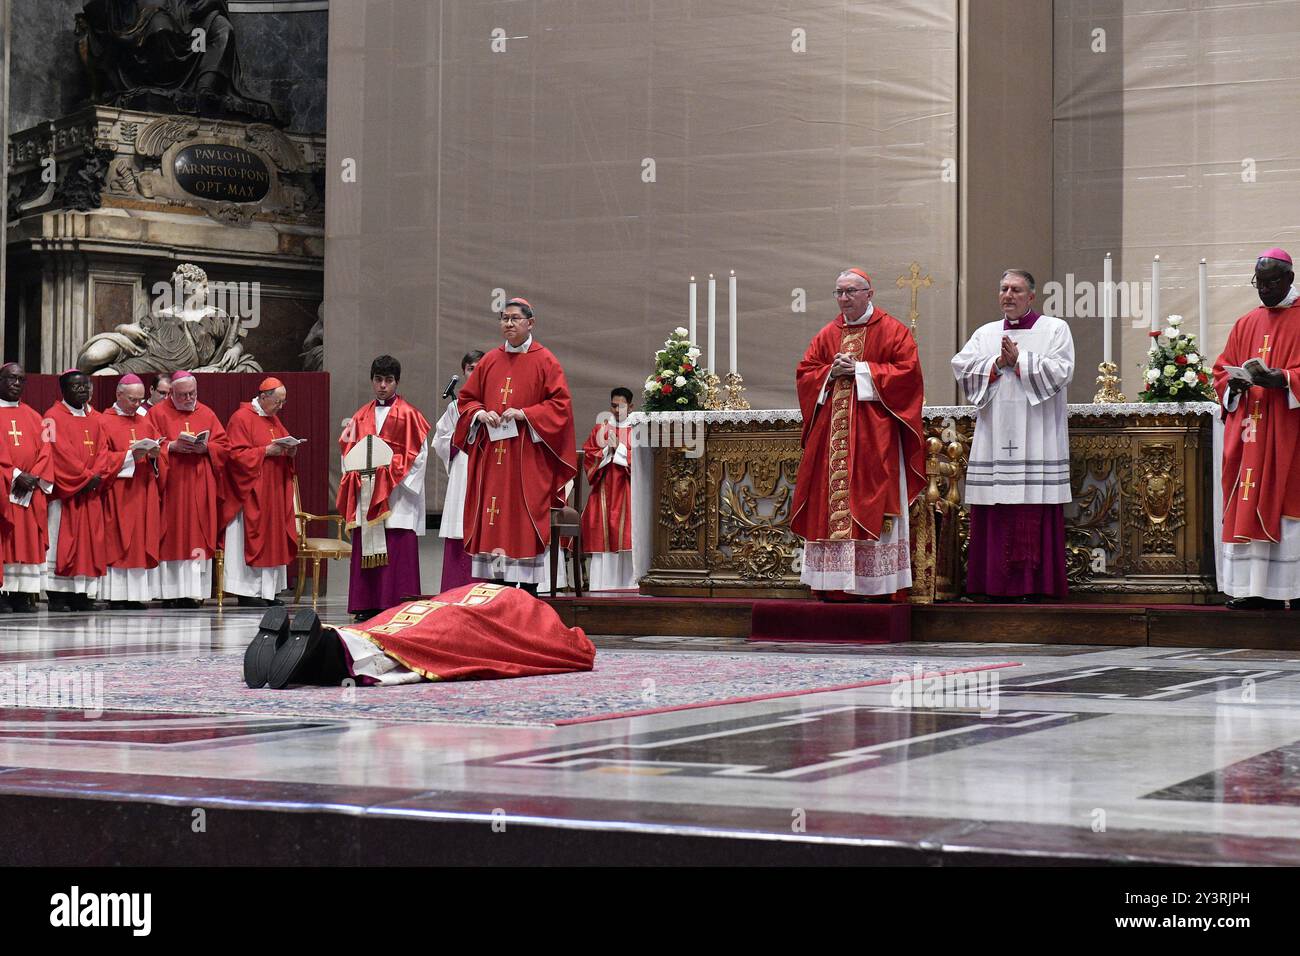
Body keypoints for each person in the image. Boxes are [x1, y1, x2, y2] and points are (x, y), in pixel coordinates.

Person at [790, 269, 926, 600]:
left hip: (874, 438)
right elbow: (805, 372)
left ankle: (876, 587)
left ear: (869, 293)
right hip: (832, 441)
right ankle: (835, 586)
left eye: (851, 292)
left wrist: (863, 370)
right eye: (839, 292)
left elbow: (909, 374)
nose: (844, 298)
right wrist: (828, 373)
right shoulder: (827, 334)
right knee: (831, 502)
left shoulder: (893, 331)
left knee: (872, 502)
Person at [952, 270, 1074, 601]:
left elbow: (1062, 371)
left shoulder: (1054, 329)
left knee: (1032, 503)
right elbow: (961, 366)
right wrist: (995, 364)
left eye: (1016, 290)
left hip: (1038, 433)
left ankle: (1035, 587)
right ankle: (991, 585)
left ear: (1031, 296)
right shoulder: (985, 333)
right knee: (994, 505)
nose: (1008, 295)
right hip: (994, 432)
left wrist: (1021, 361)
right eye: (1003, 288)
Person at [243, 583, 595, 690]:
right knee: (423, 644)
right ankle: (321, 654)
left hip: (447, 605)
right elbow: (577, 653)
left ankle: (317, 643)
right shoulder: (538, 618)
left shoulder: (502, 593)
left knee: (395, 625)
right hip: (471, 619)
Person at [454, 297, 577, 596]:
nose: (508, 324)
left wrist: (525, 414)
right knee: (494, 514)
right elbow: (467, 399)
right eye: (504, 318)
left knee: (522, 518)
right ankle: (497, 589)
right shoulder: (489, 361)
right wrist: (479, 413)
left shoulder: (545, 360)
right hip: (493, 461)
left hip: (527, 462)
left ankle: (528, 594)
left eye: (514, 318)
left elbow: (560, 407)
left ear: (530, 323)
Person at [1213, 248, 1300, 610]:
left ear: (1290, 280)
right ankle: (1252, 589)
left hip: (1288, 432)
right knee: (1247, 499)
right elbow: (1222, 370)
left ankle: (1292, 590)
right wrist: (1235, 384)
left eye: (1271, 282)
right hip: (1251, 432)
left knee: (1288, 501)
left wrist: (1283, 378)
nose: (1263, 289)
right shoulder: (1246, 323)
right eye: (1259, 283)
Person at [338, 355, 431, 620]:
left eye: (388, 380)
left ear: (396, 382)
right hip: (367, 496)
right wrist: (358, 475)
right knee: (368, 547)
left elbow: (420, 455)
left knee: (397, 549)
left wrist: (390, 477)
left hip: (398, 499)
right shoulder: (360, 416)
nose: (382, 386)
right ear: (372, 381)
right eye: (378, 380)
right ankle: (366, 605)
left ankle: (399, 605)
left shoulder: (410, 415)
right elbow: (347, 452)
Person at [148, 370, 229, 608]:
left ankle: (194, 591)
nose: (189, 398)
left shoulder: (207, 413)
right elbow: (150, 444)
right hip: (171, 485)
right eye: (183, 395)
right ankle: (170, 593)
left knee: (196, 535)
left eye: (192, 393)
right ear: (171, 393)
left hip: (199, 484)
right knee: (171, 536)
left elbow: (224, 446)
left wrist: (207, 449)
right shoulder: (157, 413)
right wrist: (171, 446)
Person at [44, 371, 123, 611]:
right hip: (67, 494)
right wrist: (84, 477)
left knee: (90, 543)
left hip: (90, 492)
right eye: (76, 386)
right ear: (63, 390)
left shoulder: (97, 418)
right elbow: (58, 452)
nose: (83, 391)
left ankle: (82, 595)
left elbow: (103, 450)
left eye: (86, 386)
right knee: (61, 543)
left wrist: (96, 475)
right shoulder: (51, 417)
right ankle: (57, 596)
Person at [221, 378, 298, 608]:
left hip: (272, 491)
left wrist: (289, 451)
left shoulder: (272, 419)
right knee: (252, 539)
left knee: (272, 540)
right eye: (278, 402)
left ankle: (269, 591)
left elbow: (281, 446)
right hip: (251, 491)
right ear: (264, 397)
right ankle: (247, 592)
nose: (280, 407)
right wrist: (266, 451)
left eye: (283, 402)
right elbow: (233, 455)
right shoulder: (241, 418)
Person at [98, 374, 163, 609]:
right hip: (118, 492)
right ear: (118, 395)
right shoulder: (103, 421)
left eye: (140, 399)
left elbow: (159, 451)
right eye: (132, 400)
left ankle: (135, 595)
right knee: (118, 540)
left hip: (141, 491)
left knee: (139, 541)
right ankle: (116, 596)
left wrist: (156, 456)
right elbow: (100, 459)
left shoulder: (145, 421)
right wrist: (129, 456)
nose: (137, 404)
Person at [0, 363, 53, 612]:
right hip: (4, 490)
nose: (17, 384)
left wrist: (33, 477)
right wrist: (15, 475)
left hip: (28, 492)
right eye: (11, 379)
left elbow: (46, 452)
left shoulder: (35, 417)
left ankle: (22, 594)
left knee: (26, 542)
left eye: (21, 379)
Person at [432, 350, 484, 592]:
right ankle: (455, 589)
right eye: (470, 368)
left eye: (479, 367)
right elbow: (440, 439)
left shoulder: (495, 401)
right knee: (459, 527)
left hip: (487, 469)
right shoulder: (455, 406)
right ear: (463, 372)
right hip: (463, 467)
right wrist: (458, 438)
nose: (474, 372)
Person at [581, 387, 636, 590]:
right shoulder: (601, 429)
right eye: (613, 406)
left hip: (626, 492)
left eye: (621, 406)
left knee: (627, 534)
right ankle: (600, 587)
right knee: (602, 535)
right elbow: (588, 456)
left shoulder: (636, 429)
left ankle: (629, 588)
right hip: (604, 491)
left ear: (630, 407)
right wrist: (606, 450)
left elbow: (641, 461)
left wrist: (620, 449)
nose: (616, 410)